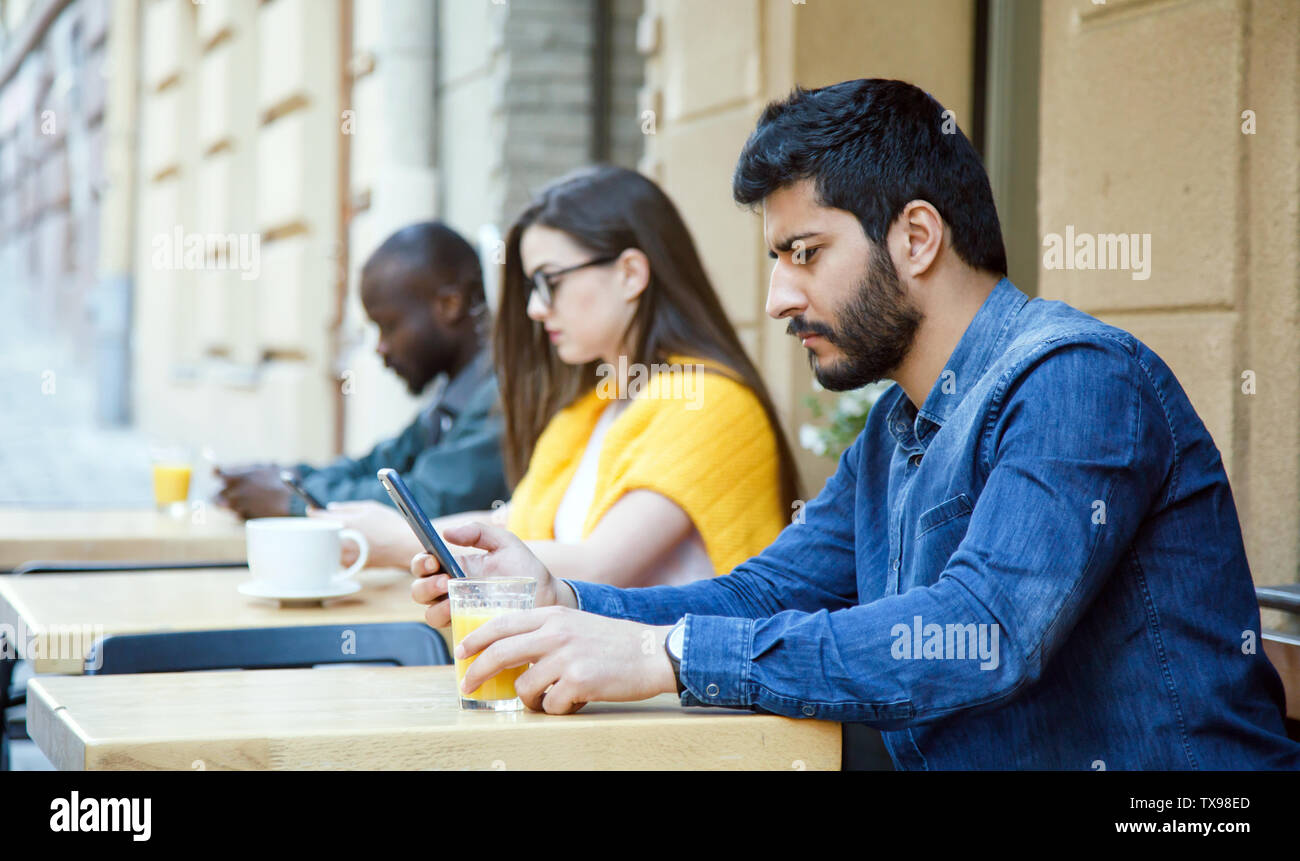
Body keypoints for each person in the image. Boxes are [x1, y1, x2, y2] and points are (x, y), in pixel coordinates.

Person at [409, 79, 1300, 770]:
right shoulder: (895, 428)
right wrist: (564, 603)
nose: (777, 297)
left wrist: (670, 655)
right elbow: (763, 594)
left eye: (806, 253)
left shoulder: (1075, 380)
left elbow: (983, 631)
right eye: (775, 258)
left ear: (916, 237)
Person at [320, 165, 801, 586]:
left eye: (550, 282)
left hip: (676, 690)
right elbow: (514, 523)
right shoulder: (595, 407)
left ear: (631, 273)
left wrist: (397, 542)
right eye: (531, 286)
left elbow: (596, 567)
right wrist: (392, 528)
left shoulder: (709, 403)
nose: (534, 308)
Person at [215, 222, 508, 519]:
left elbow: (427, 501)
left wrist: (295, 503)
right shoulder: (455, 396)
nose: (381, 347)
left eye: (389, 326)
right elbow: (380, 466)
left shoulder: (500, 396)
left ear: (449, 304)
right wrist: (293, 478)